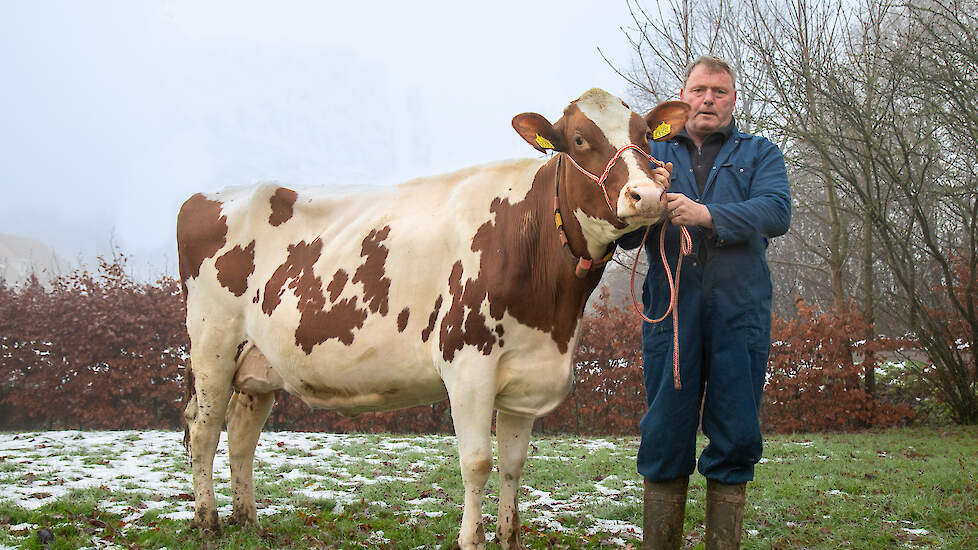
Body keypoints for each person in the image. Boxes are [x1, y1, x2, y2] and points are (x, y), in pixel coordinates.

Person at [618, 56, 791, 549]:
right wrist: (648, 201)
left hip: (740, 309)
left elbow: (777, 211)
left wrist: (705, 214)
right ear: (683, 97)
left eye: (719, 91)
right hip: (671, 309)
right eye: (699, 90)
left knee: (735, 428)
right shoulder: (650, 154)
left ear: (734, 100)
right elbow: (626, 238)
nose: (708, 99)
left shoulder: (760, 153)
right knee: (666, 428)